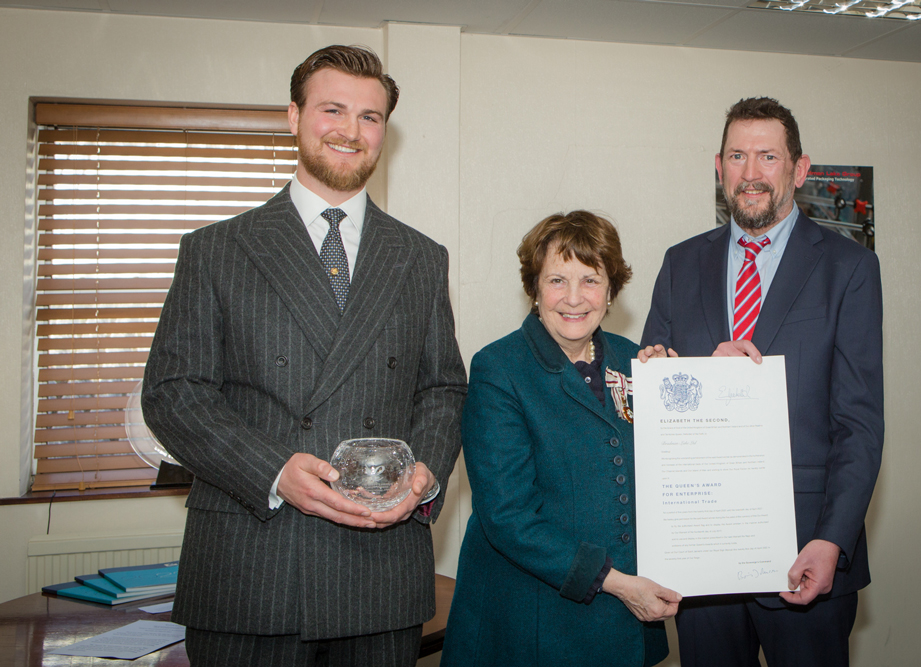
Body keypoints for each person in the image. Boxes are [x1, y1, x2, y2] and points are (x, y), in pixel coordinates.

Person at [142, 45, 467, 667]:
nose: (351, 131)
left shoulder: (421, 257)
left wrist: (424, 472)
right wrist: (272, 470)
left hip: (380, 570)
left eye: (370, 117)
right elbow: (173, 393)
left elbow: (443, 389)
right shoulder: (215, 250)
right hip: (251, 565)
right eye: (333, 109)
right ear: (294, 116)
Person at [641, 97, 883, 667]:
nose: (751, 173)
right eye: (737, 156)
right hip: (700, 558)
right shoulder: (679, 263)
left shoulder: (848, 269)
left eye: (767, 156)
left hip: (806, 556)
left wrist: (832, 541)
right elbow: (651, 399)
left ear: (799, 169)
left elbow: (860, 423)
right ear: (718, 166)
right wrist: (657, 375)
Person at [440, 211, 682, 667]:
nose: (574, 298)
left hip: (624, 619)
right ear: (534, 289)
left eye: (590, 280)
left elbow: (669, 475)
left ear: (611, 290)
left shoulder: (639, 365)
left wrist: (691, 389)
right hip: (533, 618)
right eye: (556, 280)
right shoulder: (499, 369)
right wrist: (618, 582)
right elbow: (507, 515)